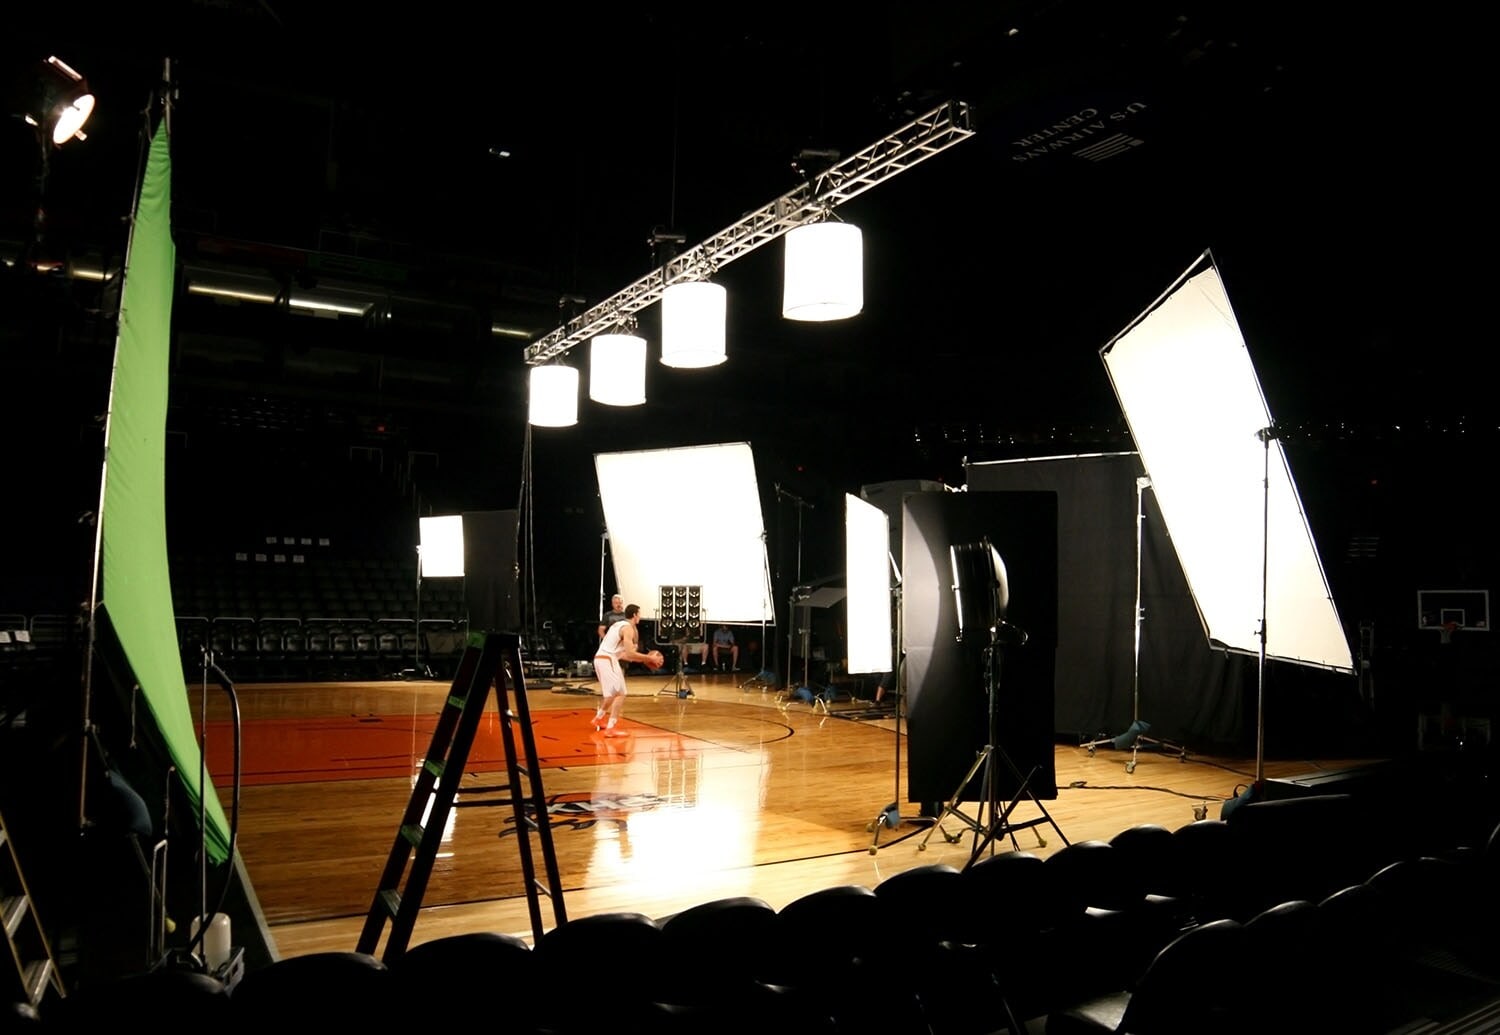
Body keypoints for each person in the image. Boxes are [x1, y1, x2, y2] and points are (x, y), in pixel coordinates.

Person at [592, 604, 663, 736]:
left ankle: (598, 719)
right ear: (635, 615)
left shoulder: (617, 625)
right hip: (607, 660)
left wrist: (644, 660)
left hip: (602, 659)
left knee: (615, 694)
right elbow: (630, 653)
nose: (640, 616)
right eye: (639, 614)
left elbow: (624, 655)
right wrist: (650, 658)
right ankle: (610, 728)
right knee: (619, 693)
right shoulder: (628, 628)